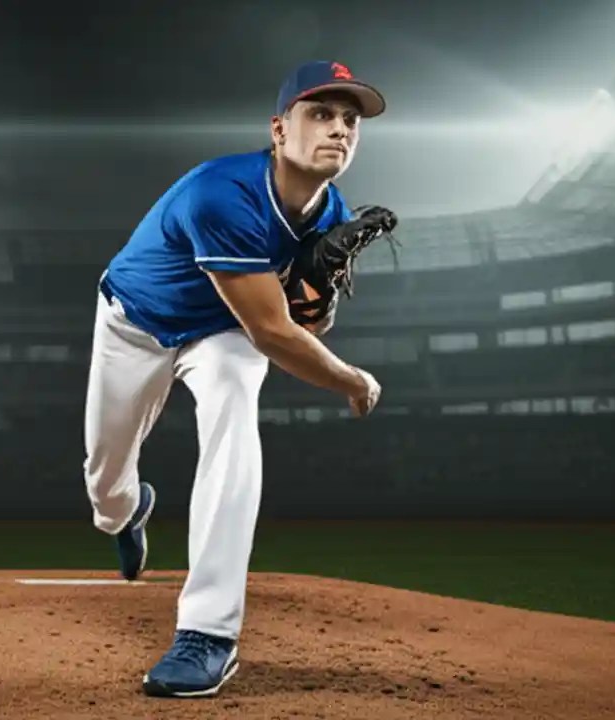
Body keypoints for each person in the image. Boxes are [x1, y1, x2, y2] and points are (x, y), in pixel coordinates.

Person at [81, 60, 386, 698]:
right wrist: (352, 381)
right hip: (136, 321)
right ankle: (129, 509)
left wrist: (316, 301)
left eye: (350, 120)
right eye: (321, 114)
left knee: (233, 408)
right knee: (105, 480)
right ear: (279, 130)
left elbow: (298, 326)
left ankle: (208, 633)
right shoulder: (220, 193)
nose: (340, 130)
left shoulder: (334, 215)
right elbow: (277, 336)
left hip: (222, 333)